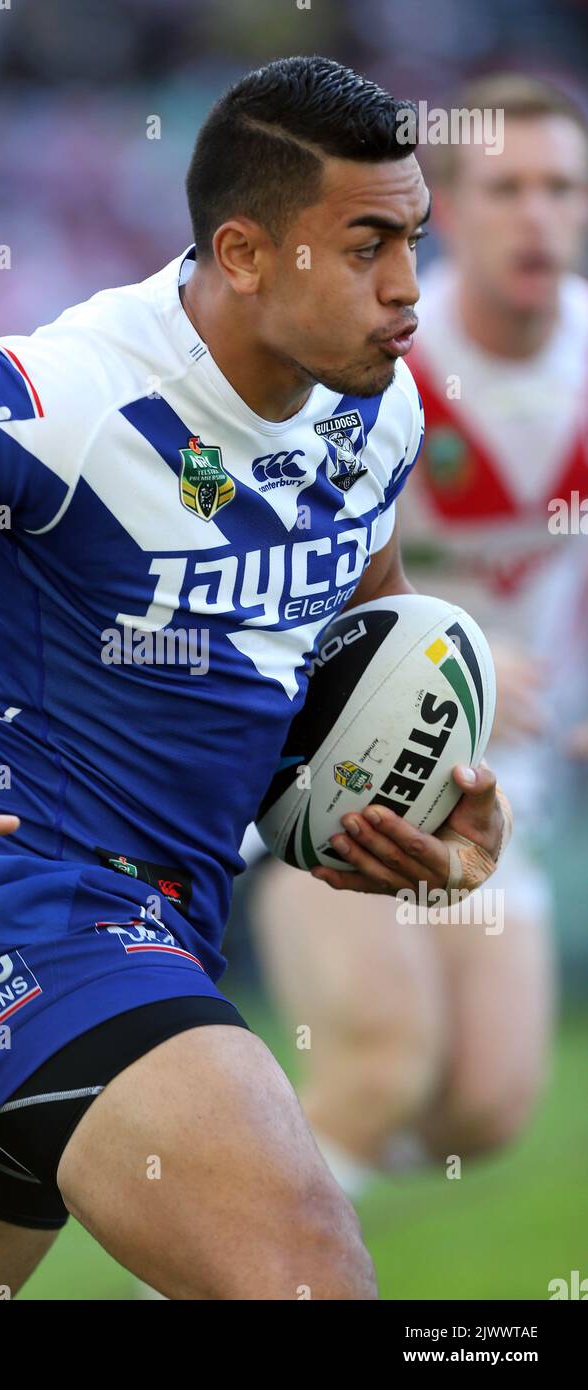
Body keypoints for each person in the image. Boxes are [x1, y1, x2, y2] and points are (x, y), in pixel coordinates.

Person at [0, 54, 508, 1302]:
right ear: (243, 254)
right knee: (304, 1280)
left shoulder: (378, 412)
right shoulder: (69, 392)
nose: (409, 288)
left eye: (414, 238)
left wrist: (418, 802)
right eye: (365, 246)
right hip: (33, 920)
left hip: (166, 929)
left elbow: (348, 650)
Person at [248, 73, 588, 1197]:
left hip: (497, 779)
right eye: (503, 189)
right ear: (440, 207)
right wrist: (479, 655)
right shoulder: (374, 362)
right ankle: (228, 1251)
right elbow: (281, 574)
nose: (534, 215)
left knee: (480, 1108)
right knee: (379, 1061)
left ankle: (236, 1185)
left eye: (559, 187)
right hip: (344, 756)